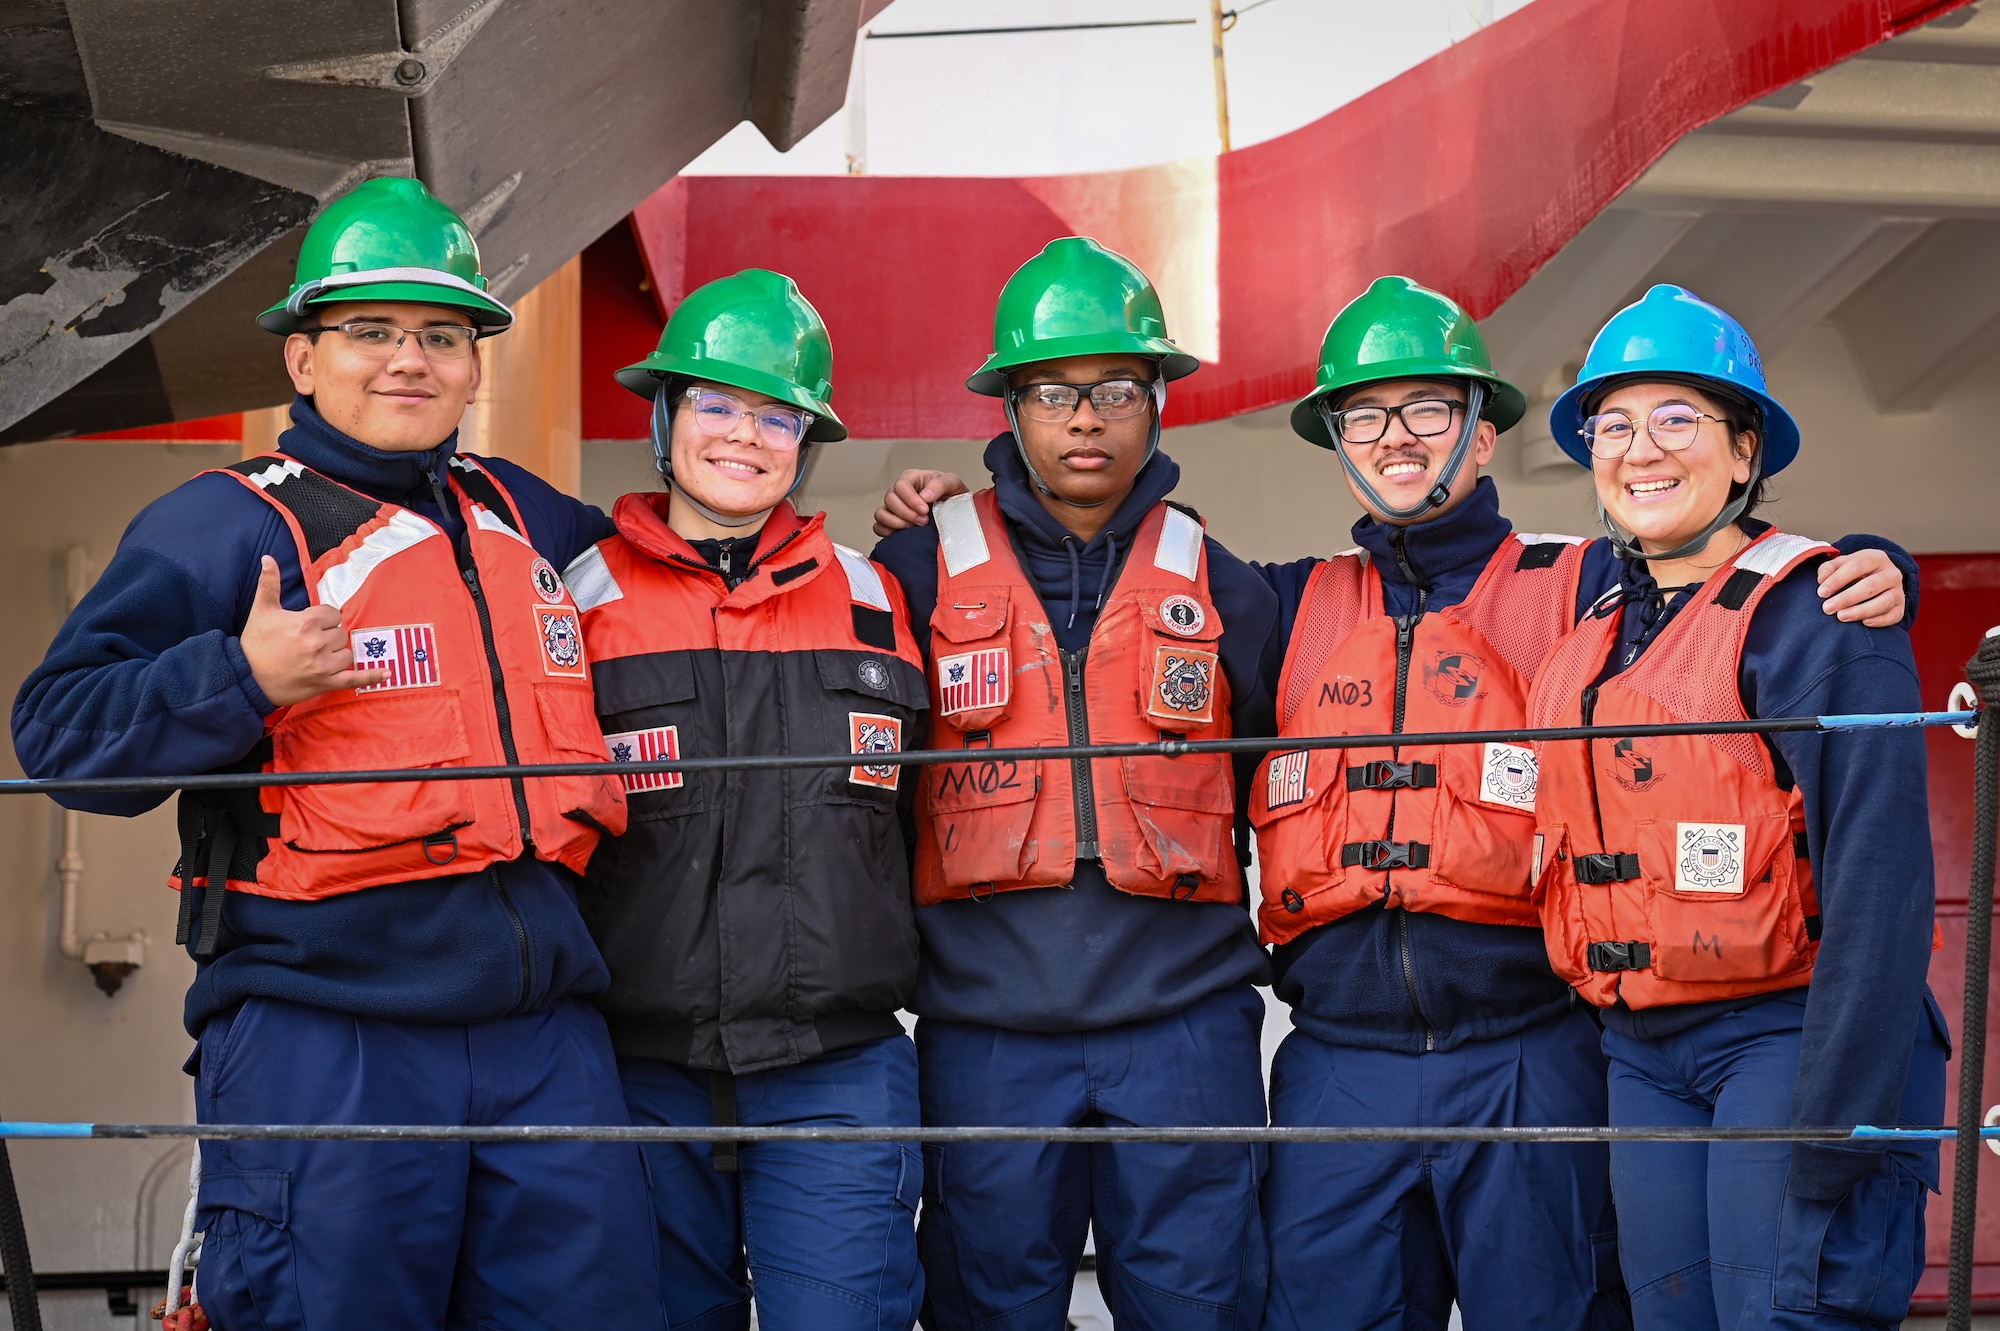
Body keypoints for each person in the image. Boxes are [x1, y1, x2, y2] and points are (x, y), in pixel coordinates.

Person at [875, 276, 1911, 1331]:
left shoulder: (1580, 582)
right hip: (1338, 1065)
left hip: (1527, 1050)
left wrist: (1877, 572)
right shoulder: (1276, 600)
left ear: (1478, 428)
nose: (1396, 436)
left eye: (1427, 409)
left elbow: (1711, 559)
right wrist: (927, 515)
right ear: (1336, 436)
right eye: (1365, 414)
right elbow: (1113, 602)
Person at [11, 177, 659, 1331]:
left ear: (473, 365)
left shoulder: (525, 512)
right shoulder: (222, 522)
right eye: (369, 330)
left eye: (441, 335)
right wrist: (241, 680)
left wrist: (910, 534)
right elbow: (60, 738)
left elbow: (689, 565)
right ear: (303, 359)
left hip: (545, 1040)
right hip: (328, 1037)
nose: (408, 359)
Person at [870, 237, 1281, 1330]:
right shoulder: (909, 573)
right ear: (1010, 406)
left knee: (1201, 1306)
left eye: (1115, 390)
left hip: (1184, 1028)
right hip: (983, 1029)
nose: (1086, 418)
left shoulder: (1231, 586)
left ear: (1156, 404)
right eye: (1055, 391)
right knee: (988, 1307)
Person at [1526, 284, 1949, 1331]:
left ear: (1744, 450)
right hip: (1642, 1048)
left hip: (1789, 1035)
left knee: (1784, 1311)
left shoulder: (1819, 611)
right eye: (1611, 425)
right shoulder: (1588, 621)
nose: (1638, 449)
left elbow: (1881, 876)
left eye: (1676, 419)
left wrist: (1835, 1119)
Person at [564, 269, 929, 1331]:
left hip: (837, 1068)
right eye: (716, 405)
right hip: (637, 1074)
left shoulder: (877, 596)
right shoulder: (573, 594)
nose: (744, 435)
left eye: (776, 413)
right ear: (664, 416)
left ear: (806, 438)